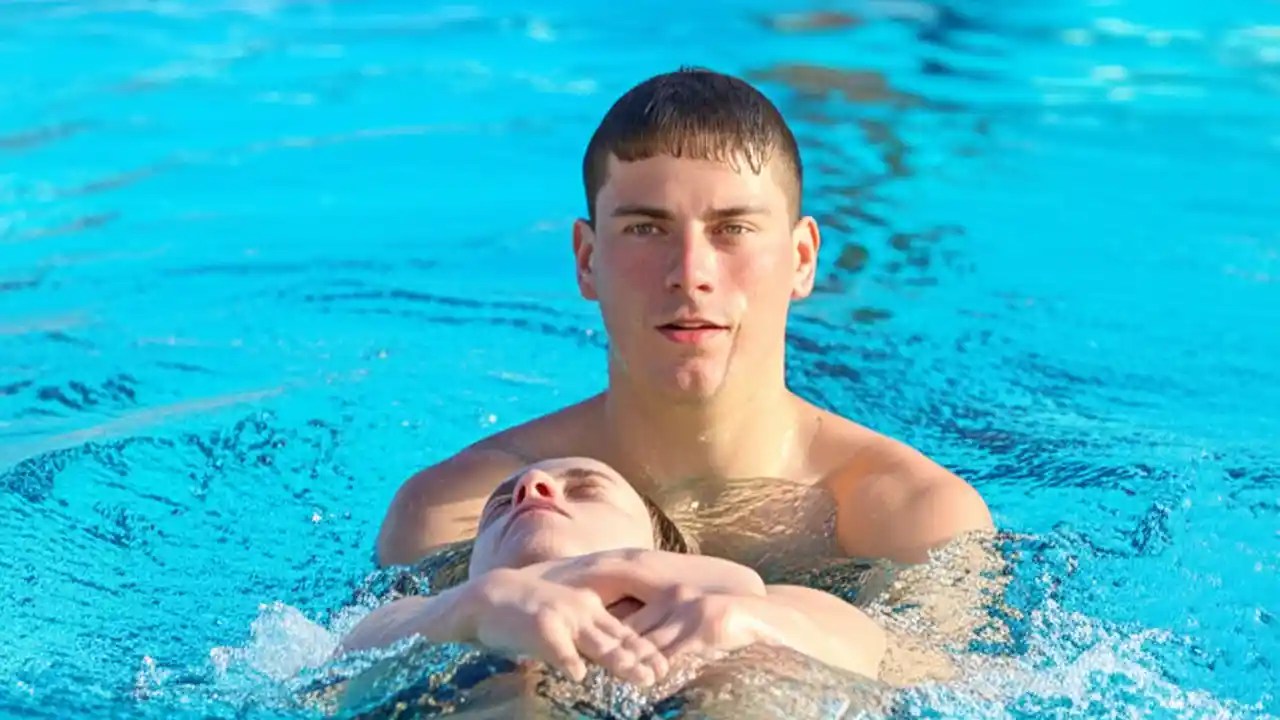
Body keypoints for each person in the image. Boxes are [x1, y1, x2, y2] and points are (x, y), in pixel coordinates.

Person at [375, 65, 994, 657]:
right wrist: (476, 608)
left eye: (733, 230)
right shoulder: (466, 505)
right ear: (587, 260)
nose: (690, 275)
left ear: (803, 258)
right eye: (647, 230)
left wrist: (766, 626)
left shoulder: (907, 512)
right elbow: (334, 678)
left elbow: (953, 687)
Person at [338, 457, 886, 688]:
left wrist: (751, 624)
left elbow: (875, 652)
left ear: (662, 547)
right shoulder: (435, 622)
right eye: (499, 505)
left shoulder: (746, 603)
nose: (531, 488)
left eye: (585, 488)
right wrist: (473, 607)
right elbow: (334, 665)